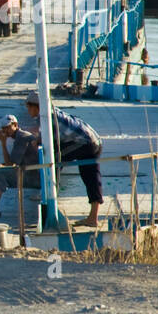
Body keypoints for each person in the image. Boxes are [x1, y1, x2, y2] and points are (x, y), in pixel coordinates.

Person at [24, 91, 103, 228]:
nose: (27, 110)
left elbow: (48, 142)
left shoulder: (47, 118)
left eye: (28, 107)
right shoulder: (50, 114)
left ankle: (49, 194)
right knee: (90, 177)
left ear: (36, 107)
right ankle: (92, 218)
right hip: (91, 142)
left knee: (53, 159)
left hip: (86, 144)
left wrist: (36, 143)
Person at [0, 114, 40, 218]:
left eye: (8, 127)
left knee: (2, 174)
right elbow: (14, 162)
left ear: (15, 125)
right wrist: (2, 165)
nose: (5, 131)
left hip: (36, 177)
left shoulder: (22, 138)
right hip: (34, 173)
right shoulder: (20, 135)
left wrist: (3, 144)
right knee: (0, 170)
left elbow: (11, 164)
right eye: (3, 128)